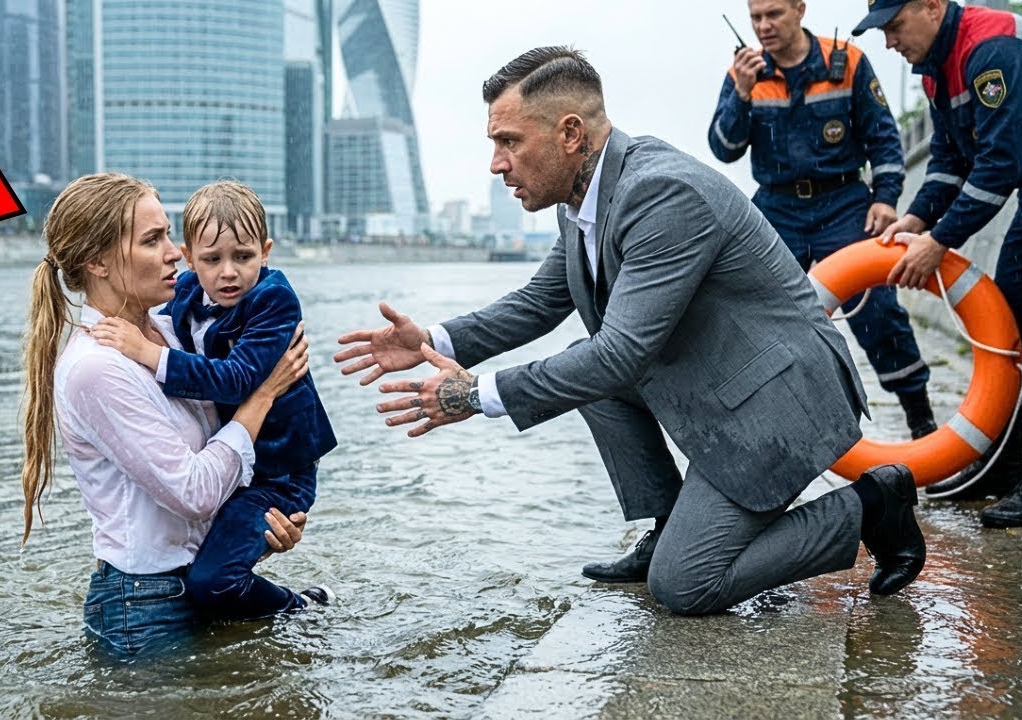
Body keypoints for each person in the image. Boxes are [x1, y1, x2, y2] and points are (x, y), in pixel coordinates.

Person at [334, 46, 927, 616]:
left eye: (509, 141)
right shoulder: (583, 198)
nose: (496, 163)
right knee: (581, 366)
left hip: (778, 401)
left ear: (571, 134)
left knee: (685, 584)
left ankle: (872, 505)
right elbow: (540, 302)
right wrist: (431, 341)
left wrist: (475, 395)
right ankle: (668, 524)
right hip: (724, 380)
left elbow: (619, 355)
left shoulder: (661, 194)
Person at [19, 172, 321, 656]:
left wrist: (261, 528)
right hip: (145, 610)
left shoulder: (173, 330)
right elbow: (195, 492)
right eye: (152, 240)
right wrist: (263, 395)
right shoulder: (97, 367)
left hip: (202, 589)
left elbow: (220, 459)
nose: (174, 254)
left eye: (167, 235)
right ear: (96, 261)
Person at [89, 179, 337, 620]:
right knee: (213, 572)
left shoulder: (274, 300)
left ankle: (298, 607)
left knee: (213, 581)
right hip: (236, 463)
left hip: (279, 470)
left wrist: (146, 352)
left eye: (243, 257)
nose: (228, 272)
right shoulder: (183, 293)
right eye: (212, 259)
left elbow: (236, 380)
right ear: (190, 259)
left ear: (265, 252)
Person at [709, 0, 937, 440]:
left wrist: (886, 199)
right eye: (756, 17)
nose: (763, 26)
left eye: (774, 14)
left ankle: (921, 419)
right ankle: (770, 431)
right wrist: (741, 93)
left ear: (799, 9)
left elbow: (884, 138)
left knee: (878, 312)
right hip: (778, 207)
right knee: (759, 318)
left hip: (843, 202)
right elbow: (723, 148)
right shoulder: (744, 73)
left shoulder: (847, 62)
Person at [853, 0, 1022, 523]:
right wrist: (915, 220)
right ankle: (1001, 464)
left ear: (931, 7)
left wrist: (939, 241)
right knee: (1009, 313)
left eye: (894, 27)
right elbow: (950, 163)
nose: (889, 42)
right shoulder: (936, 69)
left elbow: (999, 166)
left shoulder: (991, 48)